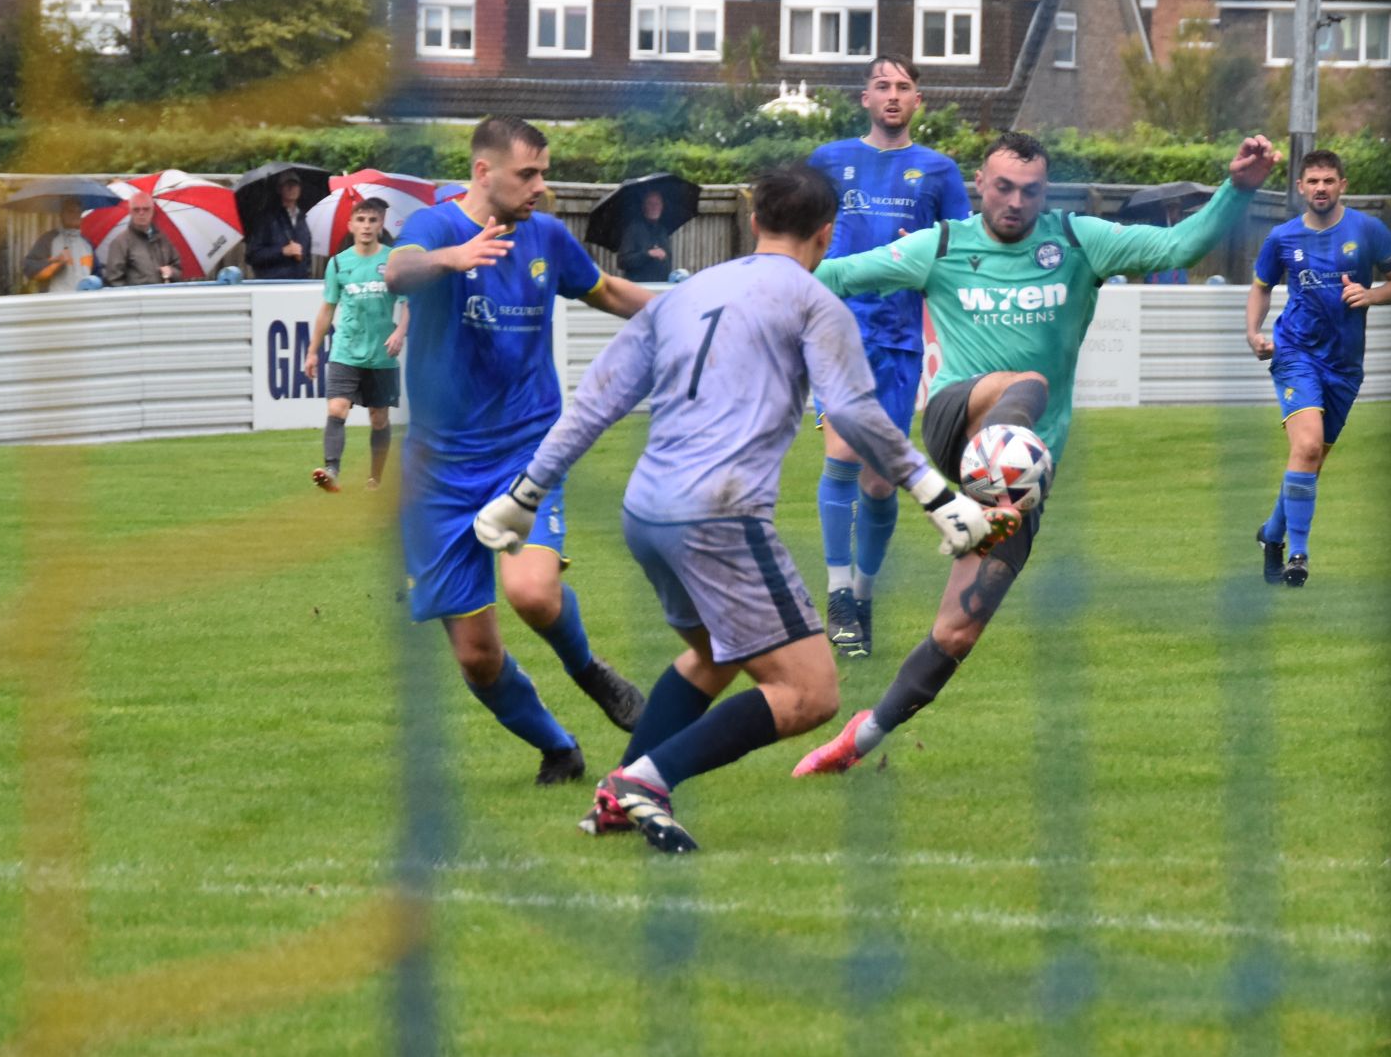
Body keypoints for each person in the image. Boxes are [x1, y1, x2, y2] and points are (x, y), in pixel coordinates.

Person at [472, 162, 1000, 852]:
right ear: (828, 235)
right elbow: (852, 411)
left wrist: (524, 495)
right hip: (719, 516)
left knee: (717, 654)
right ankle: (646, 783)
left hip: (647, 513)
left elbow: (597, 401)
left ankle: (614, 796)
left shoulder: (682, 297)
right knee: (811, 694)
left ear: (753, 222)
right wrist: (934, 493)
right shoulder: (815, 303)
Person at [793, 130, 1277, 777]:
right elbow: (841, 273)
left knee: (956, 633)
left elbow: (1179, 245)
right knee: (1028, 385)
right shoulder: (940, 245)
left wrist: (1237, 187)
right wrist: (763, 283)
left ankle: (861, 736)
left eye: (1030, 190)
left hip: (1020, 480)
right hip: (955, 426)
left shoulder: (1078, 242)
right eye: (1002, 187)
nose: (1015, 201)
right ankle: (1001, 469)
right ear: (979, 185)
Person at [384, 116, 654, 783]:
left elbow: (610, 291)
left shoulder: (547, 238)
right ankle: (558, 747)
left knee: (532, 592)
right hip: (438, 473)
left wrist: (704, 314)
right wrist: (451, 260)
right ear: (483, 171)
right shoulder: (440, 228)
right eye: (528, 173)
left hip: (527, 450)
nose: (542, 185)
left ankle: (589, 670)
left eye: (544, 171)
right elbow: (397, 271)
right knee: (476, 656)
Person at [806, 55, 974, 659]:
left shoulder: (938, 171)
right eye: (883, 86)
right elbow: (797, 232)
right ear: (864, 98)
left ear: (918, 101)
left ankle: (866, 596)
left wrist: (927, 253)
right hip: (836, 332)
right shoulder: (828, 161)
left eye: (904, 87)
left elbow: (961, 249)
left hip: (900, 341)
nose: (894, 96)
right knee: (843, 456)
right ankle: (838, 595)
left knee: (881, 484)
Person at [1242, 149, 1391, 588]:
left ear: (1343, 185)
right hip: (1295, 353)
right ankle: (1298, 553)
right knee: (1309, 447)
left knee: (1309, 459)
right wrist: (1254, 333)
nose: (1320, 188)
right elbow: (1261, 287)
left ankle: (1272, 535)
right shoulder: (1281, 238)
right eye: (1312, 181)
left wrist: (1371, 295)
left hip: (1345, 367)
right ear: (1300, 187)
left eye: (1328, 181)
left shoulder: (1368, 230)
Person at [304, 193, 407, 491]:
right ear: (350, 225)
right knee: (337, 409)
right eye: (360, 220)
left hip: (381, 355)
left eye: (372, 220)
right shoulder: (338, 264)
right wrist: (312, 351)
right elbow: (327, 309)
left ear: (380, 224)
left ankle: (375, 478)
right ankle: (331, 470)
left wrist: (400, 331)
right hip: (345, 351)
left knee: (378, 419)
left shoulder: (393, 260)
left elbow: (408, 303)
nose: (366, 225)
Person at [246, 170, 316, 279]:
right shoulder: (266, 219)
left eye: (295, 184)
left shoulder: (303, 219)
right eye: (287, 184)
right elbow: (253, 256)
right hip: (274, 286)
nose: (292, 188)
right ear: (279, 189)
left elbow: (307, 257)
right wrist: (282, 251)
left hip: (300, 286)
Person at [100, 198, 183, 286]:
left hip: (163, 296)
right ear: (130, 212)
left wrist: (172, 272)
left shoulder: (163, 239)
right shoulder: (120, 242)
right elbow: (114, 279)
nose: (141, 213)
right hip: (137, 297)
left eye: (146, 209)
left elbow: (178, 269)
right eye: (136, 209)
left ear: (152, 211)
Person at [22, 201, 97, 293]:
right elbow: (30, 269)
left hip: (83, 302)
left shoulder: (87, 243)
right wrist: (57, 264)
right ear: (61, 215)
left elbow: (97, 274)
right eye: (71, 211)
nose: (75, 214)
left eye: (78, 211)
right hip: (55, 302)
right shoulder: (48, 240)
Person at [616, 188, 674, 282]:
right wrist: (647, 254)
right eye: (650, 203)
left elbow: (667, 260)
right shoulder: (633, 229)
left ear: (662, 206)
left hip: (660, 287)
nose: (654, 207)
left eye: (657, 203)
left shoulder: (663, 230)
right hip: (638, 288)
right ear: (643, 206)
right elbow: (622, 261)